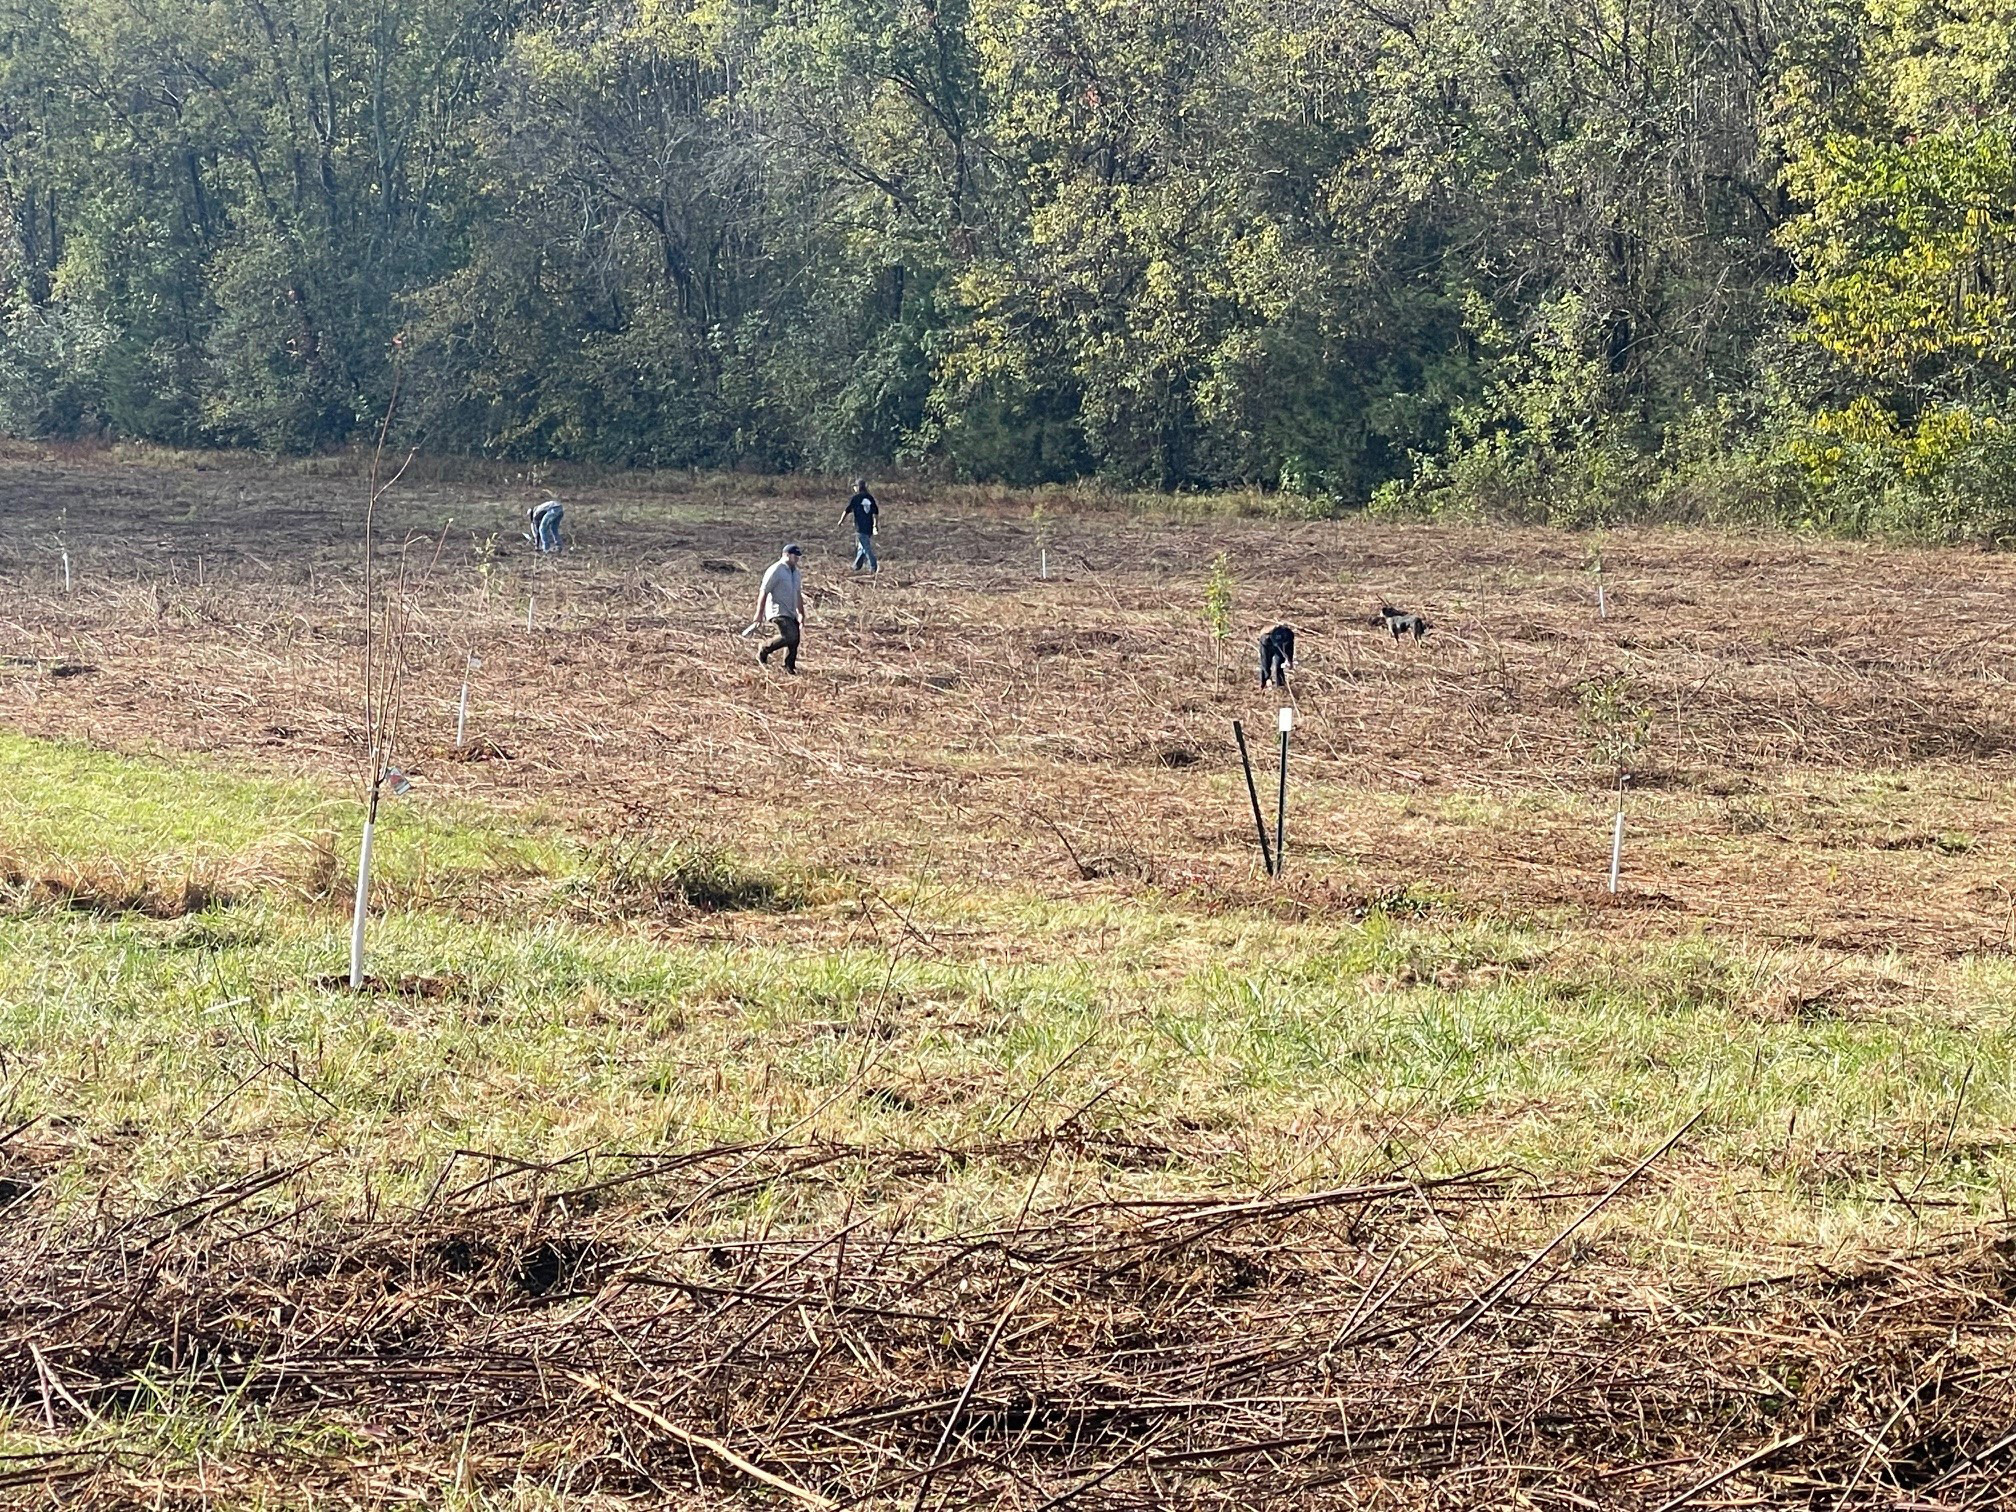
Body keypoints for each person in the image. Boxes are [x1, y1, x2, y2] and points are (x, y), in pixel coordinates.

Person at [753, 543, 805, 672]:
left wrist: (801, 613)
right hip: (777, 610)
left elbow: (798, 593)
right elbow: (764, 591)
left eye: (798, 556)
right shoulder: (776, 570)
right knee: (789, 635)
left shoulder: (796, 573)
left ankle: (789, 667)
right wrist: (759, 613)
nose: (797, 559)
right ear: (786, 555)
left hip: (791, 612)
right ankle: (764, 648)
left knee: (795, 639)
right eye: (795, 556)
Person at [840, 478, 879, 573]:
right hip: (869, 526)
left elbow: (847, 510)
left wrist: (841, 521)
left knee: (866, 547)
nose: (854, 488)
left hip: (860, 527)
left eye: (855, 486)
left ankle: (873, 565)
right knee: (861, 547)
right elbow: (875, 512)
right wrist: (875, 525)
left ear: (858, 487)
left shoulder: (855, 498)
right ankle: (856, 566)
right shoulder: (870, 497)